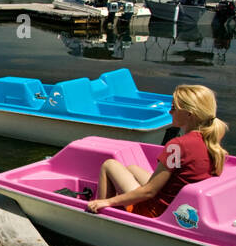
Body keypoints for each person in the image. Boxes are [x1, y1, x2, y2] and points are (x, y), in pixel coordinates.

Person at [86, 84, 228, 218]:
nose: (170, 111)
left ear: (189, 114)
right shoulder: (211, 141)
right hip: (180, 204)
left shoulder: (177, 145)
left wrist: (110, 201)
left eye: (174, 108)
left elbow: (149, 192)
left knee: (109, 165)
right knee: (132, 169)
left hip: (156, 211)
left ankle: (102, 213)